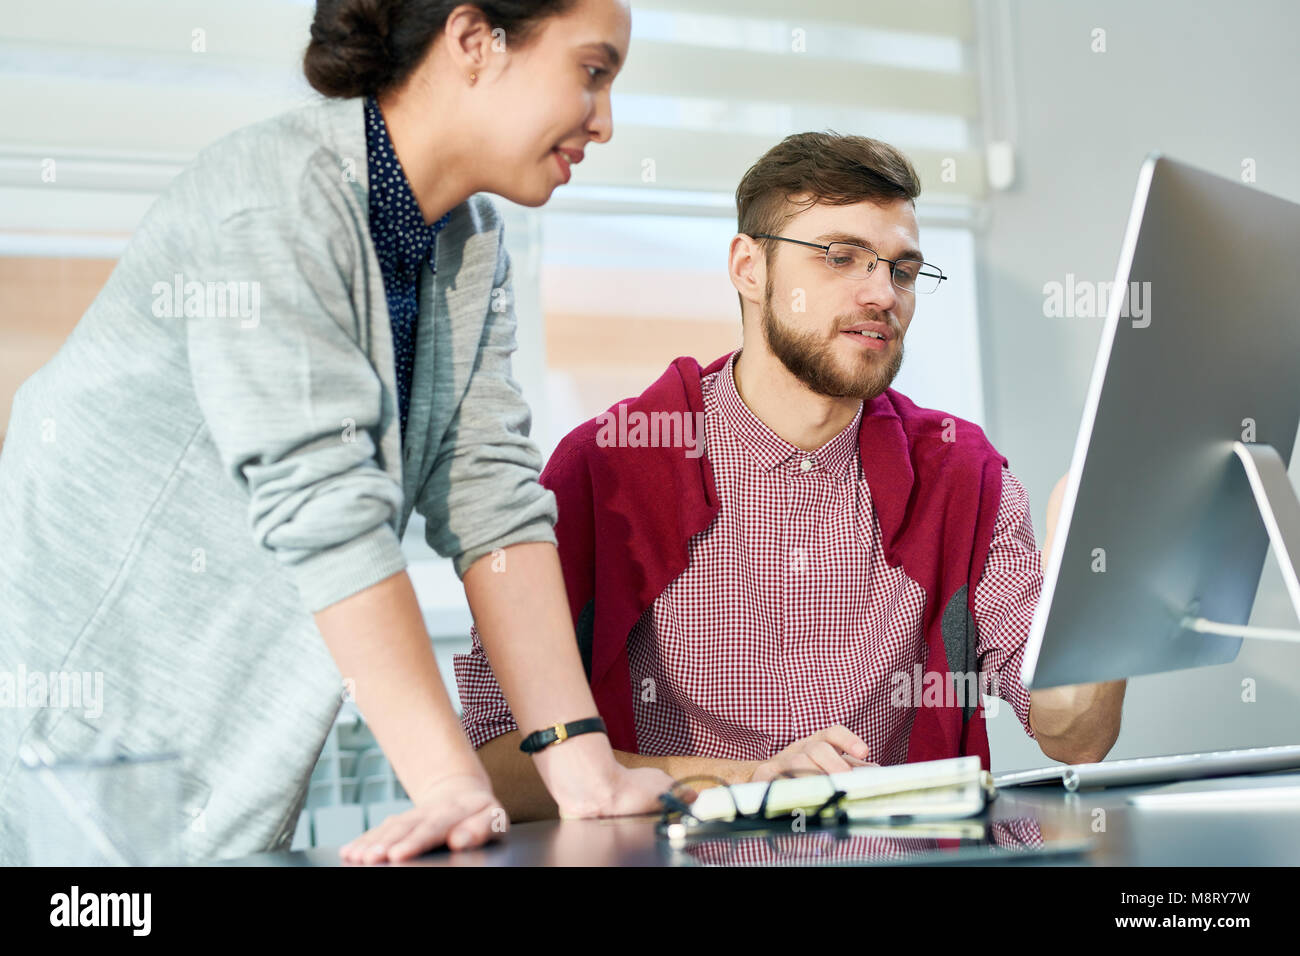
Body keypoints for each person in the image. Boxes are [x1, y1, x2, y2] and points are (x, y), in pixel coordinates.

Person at [0, 0, 671, 866]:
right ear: (475, 41)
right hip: (73, 735)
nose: (607, 122)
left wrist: (587, 770)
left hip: (222, 743)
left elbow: (491, 496)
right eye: (592, 71)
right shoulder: (271, 198)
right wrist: (449, 784)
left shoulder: (464, 240)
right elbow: (326, 505)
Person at [453, 131, 1128, 820]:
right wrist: (748, 781)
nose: (882, 294)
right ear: (749, 267)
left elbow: (1075, 737)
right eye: (842, 257)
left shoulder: (963, 473)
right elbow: (499, 763)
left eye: (901, 269)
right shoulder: (609, 469)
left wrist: (1095, 581)